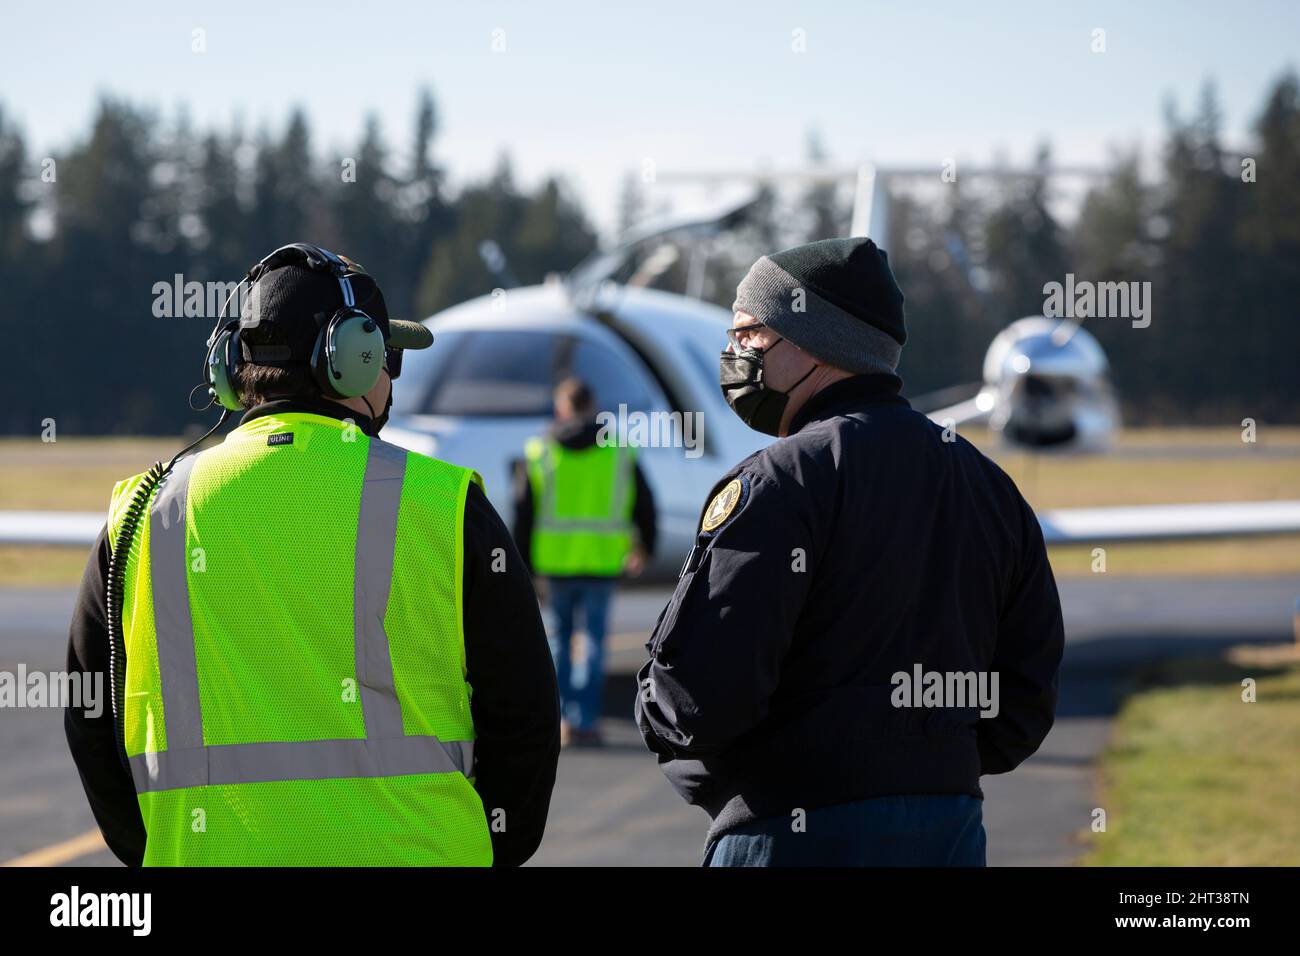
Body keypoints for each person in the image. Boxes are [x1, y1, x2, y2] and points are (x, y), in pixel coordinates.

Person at [65, 243, 559, 866]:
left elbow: (91, 715)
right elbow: (524, 714)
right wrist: (492, 846)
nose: (390, 376)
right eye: (387, 357)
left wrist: (159, 851)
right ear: (354, 359)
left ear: (227, 364)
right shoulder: (444, 504)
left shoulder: (143, 513)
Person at [634, 237, 1064, 866]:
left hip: (787, 836)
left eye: (749, 333)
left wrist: (657, 705)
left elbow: (700, 698)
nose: (733, 354)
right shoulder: (988, 485)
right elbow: (1022, 702)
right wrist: (929, 763)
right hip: (948, 832)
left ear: (812, 344)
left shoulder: (778, 482)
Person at [513, 377, 656, 748]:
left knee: (558, 642)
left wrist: (522, 565)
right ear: (592, 406)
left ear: (562, 407)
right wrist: (645, 546)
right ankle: (586, 721)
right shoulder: (619, 449)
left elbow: (523, 512)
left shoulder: (539, 451)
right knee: (593, 643)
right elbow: (645, 503)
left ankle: (559, 719)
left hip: (555, 562)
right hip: (602, 560)